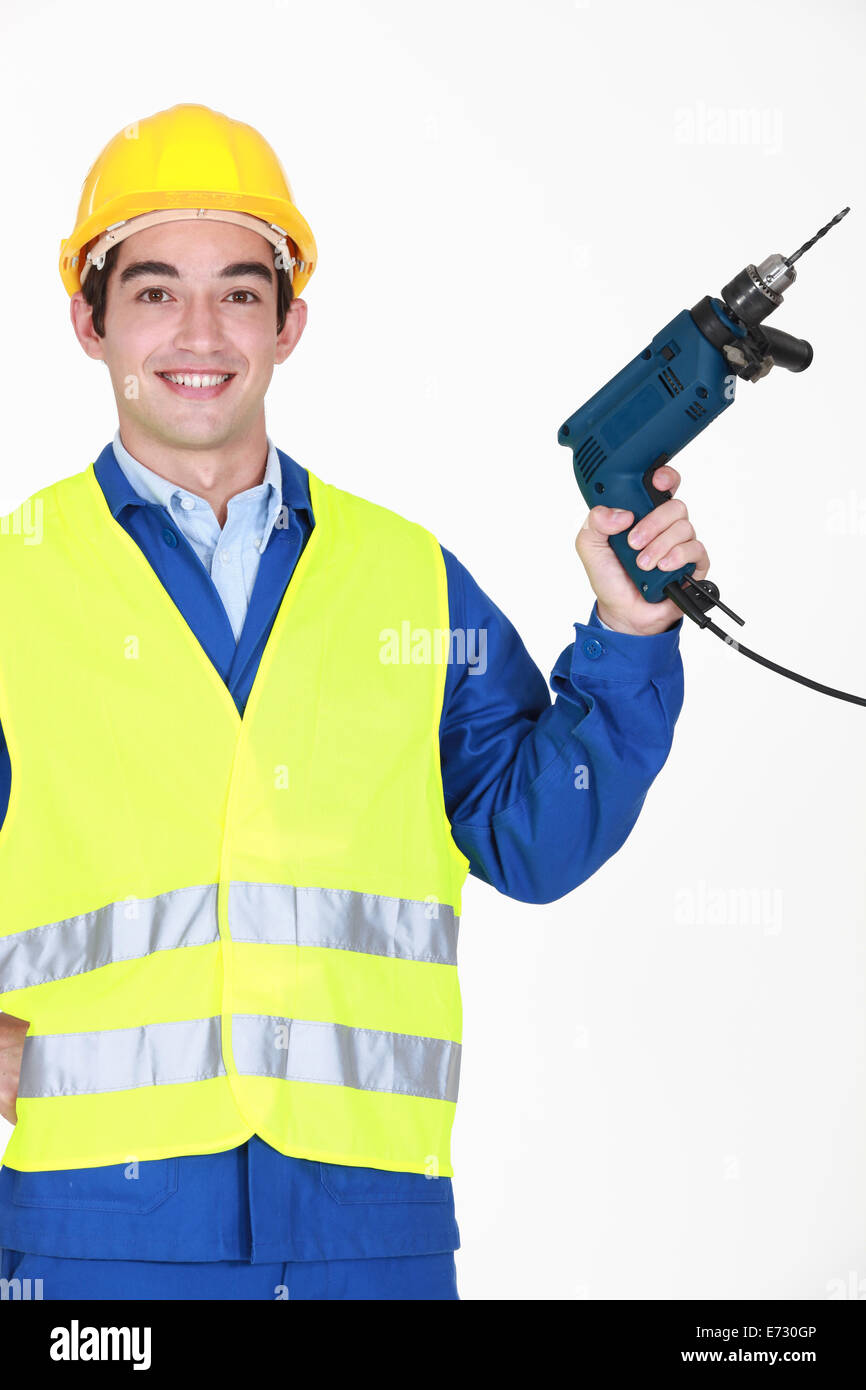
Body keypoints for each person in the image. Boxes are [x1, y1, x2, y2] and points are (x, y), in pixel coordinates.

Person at [0, 103, 708, 1302]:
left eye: (238, 293)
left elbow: (533, 841)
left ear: (288, 325)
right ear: (89, 320)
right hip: (97, 1240)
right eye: (155, 291)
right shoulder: (13, 585)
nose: (199, 333)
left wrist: (627, 636)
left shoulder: (405, 578)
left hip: (368, 1234)